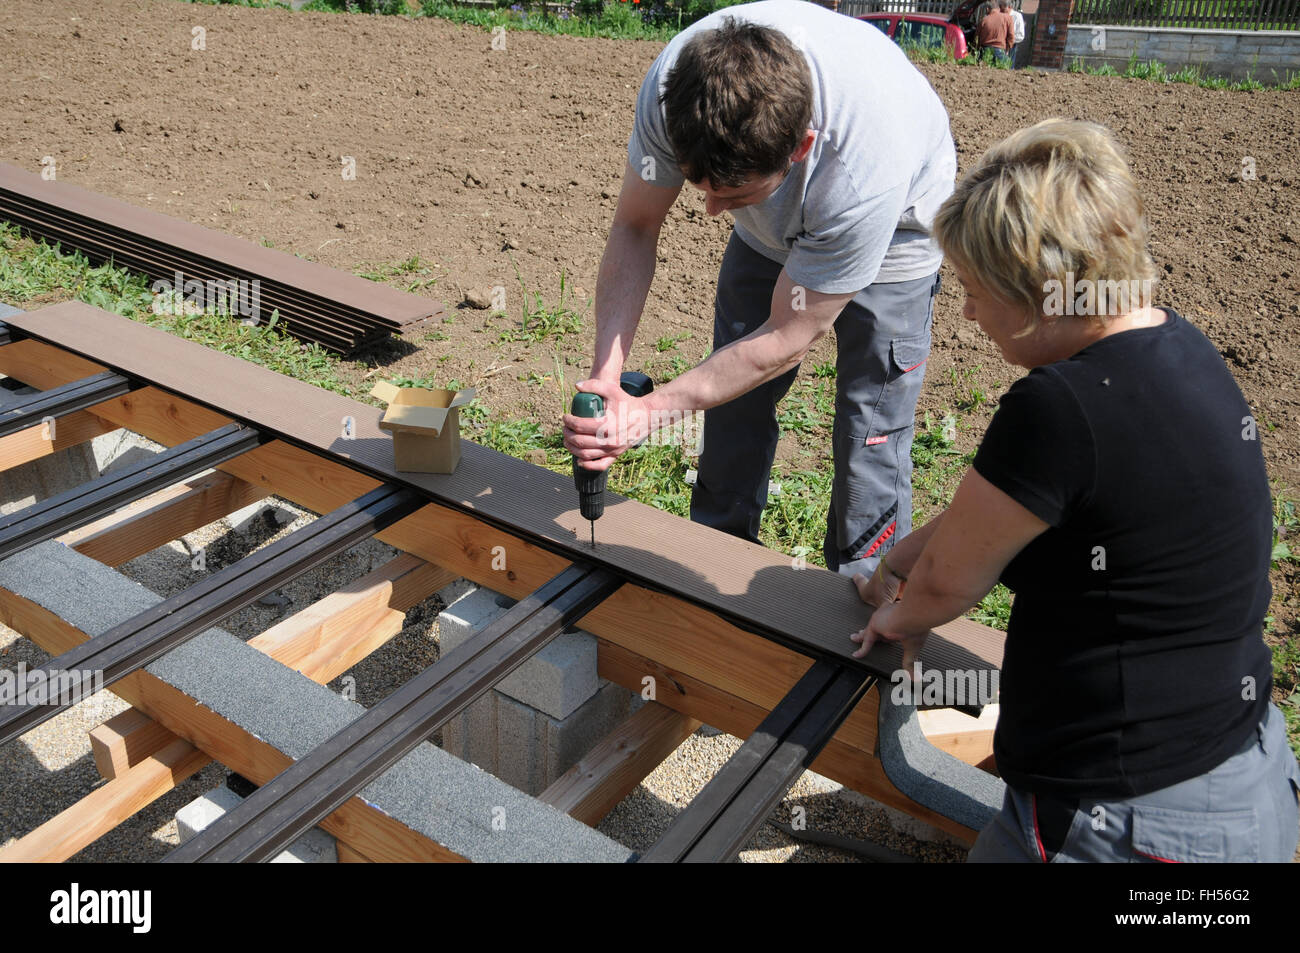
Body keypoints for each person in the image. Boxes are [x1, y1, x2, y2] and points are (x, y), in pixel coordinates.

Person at [850, 118, 1300, 862]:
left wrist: (898, 615)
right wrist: (897, 562)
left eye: (972, 290)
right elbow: (993, 517)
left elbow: (945, 580)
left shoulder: (1059, 406)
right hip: (1236, 783)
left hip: (1132, 823)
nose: (965, 314)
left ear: (1034, 293)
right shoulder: (1175, 349)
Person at [563, 0, 956, 579]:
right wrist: (605, 375)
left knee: (869, 428)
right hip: (778, 227)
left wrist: (653, 410)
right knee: (733, 403)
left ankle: (866, 594)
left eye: (734, 195)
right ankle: (714, 560)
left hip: (896, 229)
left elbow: (787, 340)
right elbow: (636, 224)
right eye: (700, 185)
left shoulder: (863, 166)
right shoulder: (677, 91)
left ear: (799, 149)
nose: (710, 210)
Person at [1007, 0, 1025, 66]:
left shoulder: (1017, 16)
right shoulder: (1001, 15)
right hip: (998, 44)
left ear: (1009, 7)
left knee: (1009, 65)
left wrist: (1009, 41)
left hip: (1011, 46)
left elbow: (1021, 35)